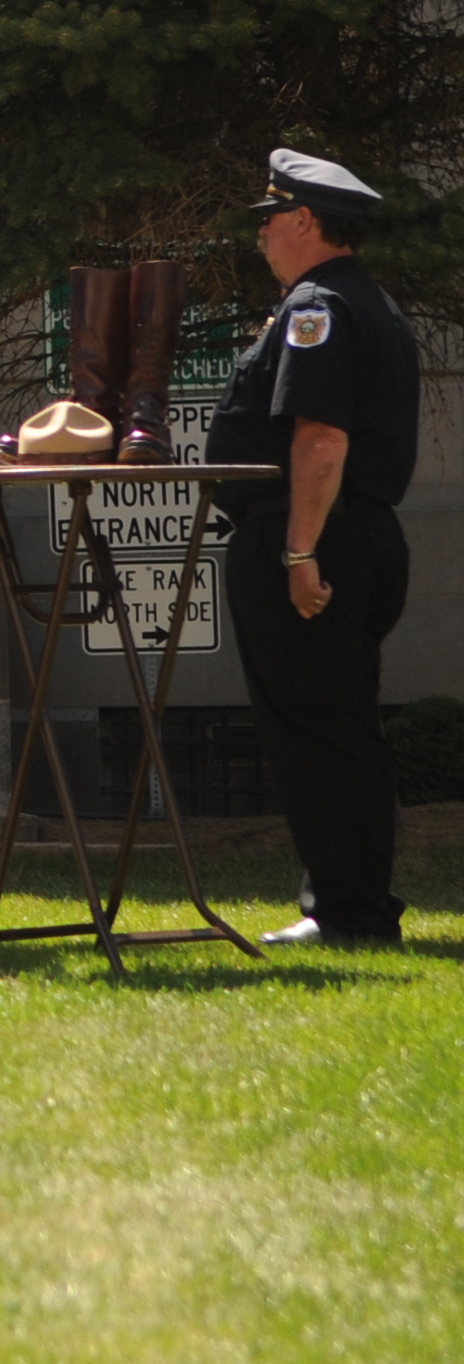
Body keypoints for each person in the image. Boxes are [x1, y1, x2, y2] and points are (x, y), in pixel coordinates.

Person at [211, 149, 418, 946]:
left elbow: (321, 439)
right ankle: (338, 903)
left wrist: (299, 554)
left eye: (269, 220)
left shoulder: (320, 307)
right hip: (351, 534)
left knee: (320, 733)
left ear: (303, 220)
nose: (261, 235)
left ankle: (353, 915)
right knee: (334, 726)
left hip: (317, 538)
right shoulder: (366, 303)